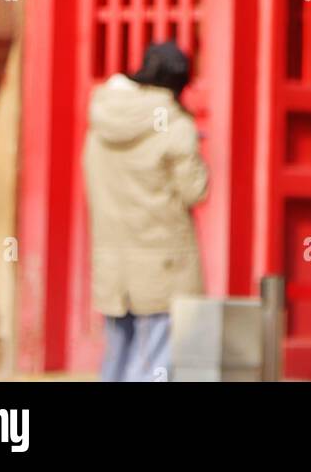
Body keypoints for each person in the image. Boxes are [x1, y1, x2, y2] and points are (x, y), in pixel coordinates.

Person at [84, 40, 208, 382]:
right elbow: (194, 190)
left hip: (113, 259)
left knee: (117, 353)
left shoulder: (101, 118)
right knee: (156, 360)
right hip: (162, 260)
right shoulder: (176, 125)